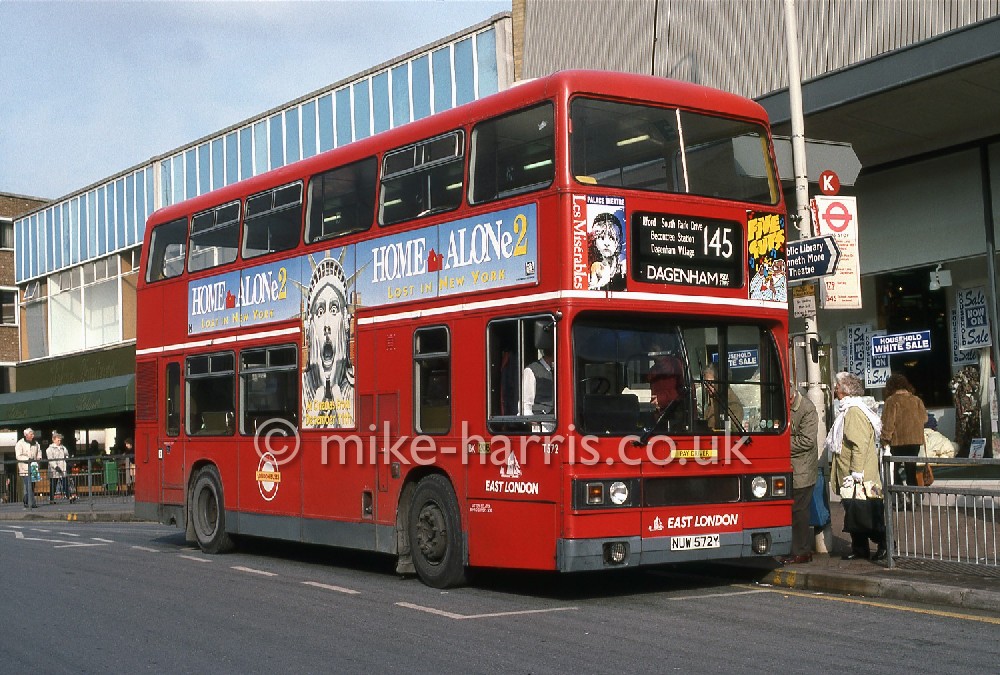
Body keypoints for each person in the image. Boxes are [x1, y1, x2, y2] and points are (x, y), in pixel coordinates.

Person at [826, 371, 886, 561]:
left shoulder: (853, 412)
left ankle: (884, 544)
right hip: (851, 475)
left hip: (860, 477)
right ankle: (860, 548)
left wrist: (856, 473)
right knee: (854, 512)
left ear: (845, 390)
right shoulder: (848, 410)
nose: (835, 389)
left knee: (866, 513)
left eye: (837, 386)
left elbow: (859, 444)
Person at [302, 255, 356, 428]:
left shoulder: (358, 385)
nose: (326, 325)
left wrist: (337, 395)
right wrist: (318, 399)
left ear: (345, 322)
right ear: (310, 328)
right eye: (319, 312)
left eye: (334, 309)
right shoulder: (301, 386)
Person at [781, 388, 818, 564]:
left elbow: (807, 441)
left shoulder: (807, 409)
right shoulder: (785, 405)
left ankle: (801, 551)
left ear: (792, 396)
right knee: (791, 511)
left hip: (802, 470)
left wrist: (780, 442)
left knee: (799, 513)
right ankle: (796, 550)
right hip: (790, 468)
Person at [881, 373, 927, 488]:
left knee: (894, 470)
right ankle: (914, 500)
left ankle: (899, 497)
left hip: (898, 442)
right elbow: (925, 418)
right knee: (911, 471)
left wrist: (884, 439)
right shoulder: (917, 400)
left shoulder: (891, 401)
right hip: (915, 441)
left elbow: (888, 424)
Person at [587, 212, 626, 291]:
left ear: (619, 239)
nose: (607, 243)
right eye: (601, 238)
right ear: (594, 240)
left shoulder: (624, 268)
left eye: (612, 238)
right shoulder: (593, 268)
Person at [701, 364, 744, 431]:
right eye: (705, 383)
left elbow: (731, 430)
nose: (706, 387)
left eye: (710, 382)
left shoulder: (732, 403)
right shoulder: (713, 399)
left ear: (719, 381)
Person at [15, 427, 42, 509]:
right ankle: (32, 503)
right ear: (26, 435)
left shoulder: (36, 443)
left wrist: (39, 458)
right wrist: (27, 459)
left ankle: (26, 500)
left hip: (34, 467)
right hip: (25, 468)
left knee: (32, 486)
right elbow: (18, 456)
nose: (33, 436)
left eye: (33, 434)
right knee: (28, 486)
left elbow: (39, 452)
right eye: (31, 434)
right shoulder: (20, 443)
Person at [522, 348, 554, 417]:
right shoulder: (531, 370)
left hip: (554, 418)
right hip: (541, 419)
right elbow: (526, 401)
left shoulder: (555, 370)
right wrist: (531, 420)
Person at [46, 431, 76, 504]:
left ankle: (69, 497)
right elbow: (50, 459)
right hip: (54, 470)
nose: (59, 441)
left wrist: (68, 460)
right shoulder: (49, 449)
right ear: (54, 440)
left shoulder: (63, 448)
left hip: (63, 468)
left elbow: (66, 454)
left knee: (65, 483)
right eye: (58, 440)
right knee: (53, 484)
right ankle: (51, 499)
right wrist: (56, 467)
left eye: (60, 440)